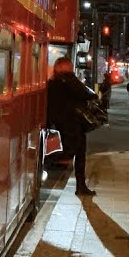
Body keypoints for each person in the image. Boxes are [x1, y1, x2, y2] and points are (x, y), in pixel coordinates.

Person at [47, 57, 98, 196]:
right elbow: (85, 94)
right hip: (74, 123)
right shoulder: (70, 81)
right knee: (79, 154)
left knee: (68, 152)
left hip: (57, 124)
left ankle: (79, 184)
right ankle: (80, 186)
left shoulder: (51, 82)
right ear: (67, 68)